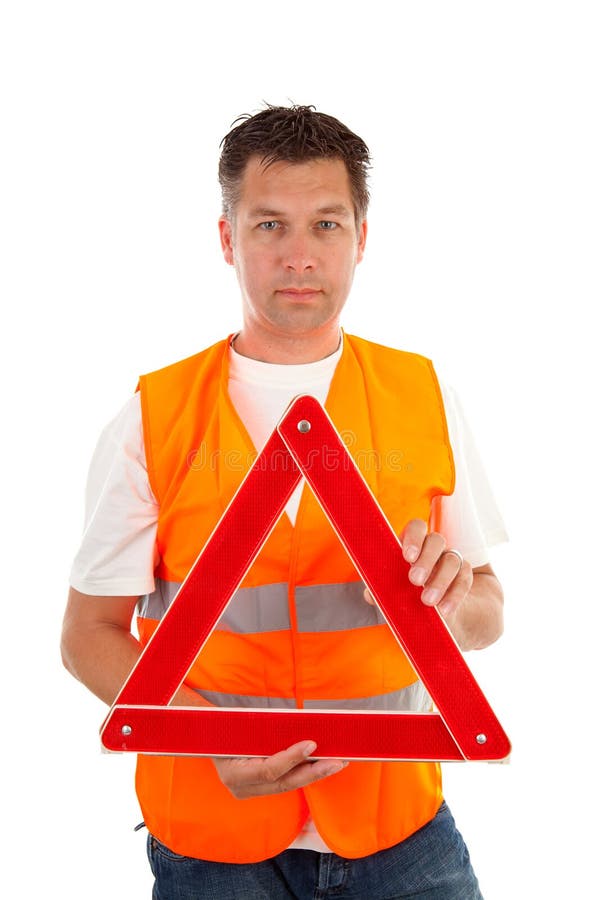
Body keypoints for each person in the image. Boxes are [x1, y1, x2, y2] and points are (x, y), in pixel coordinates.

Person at [61, 104, 507, 899]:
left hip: (399, 832)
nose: (299, 255)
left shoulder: (423, 394)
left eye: (326, 224)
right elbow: (86, 636)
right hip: (211, 843)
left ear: (361, 238)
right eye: (269, 225)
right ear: (227, 239)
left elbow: (487, 613)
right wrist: (209, 736)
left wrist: (448, 601)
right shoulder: (154, 416)